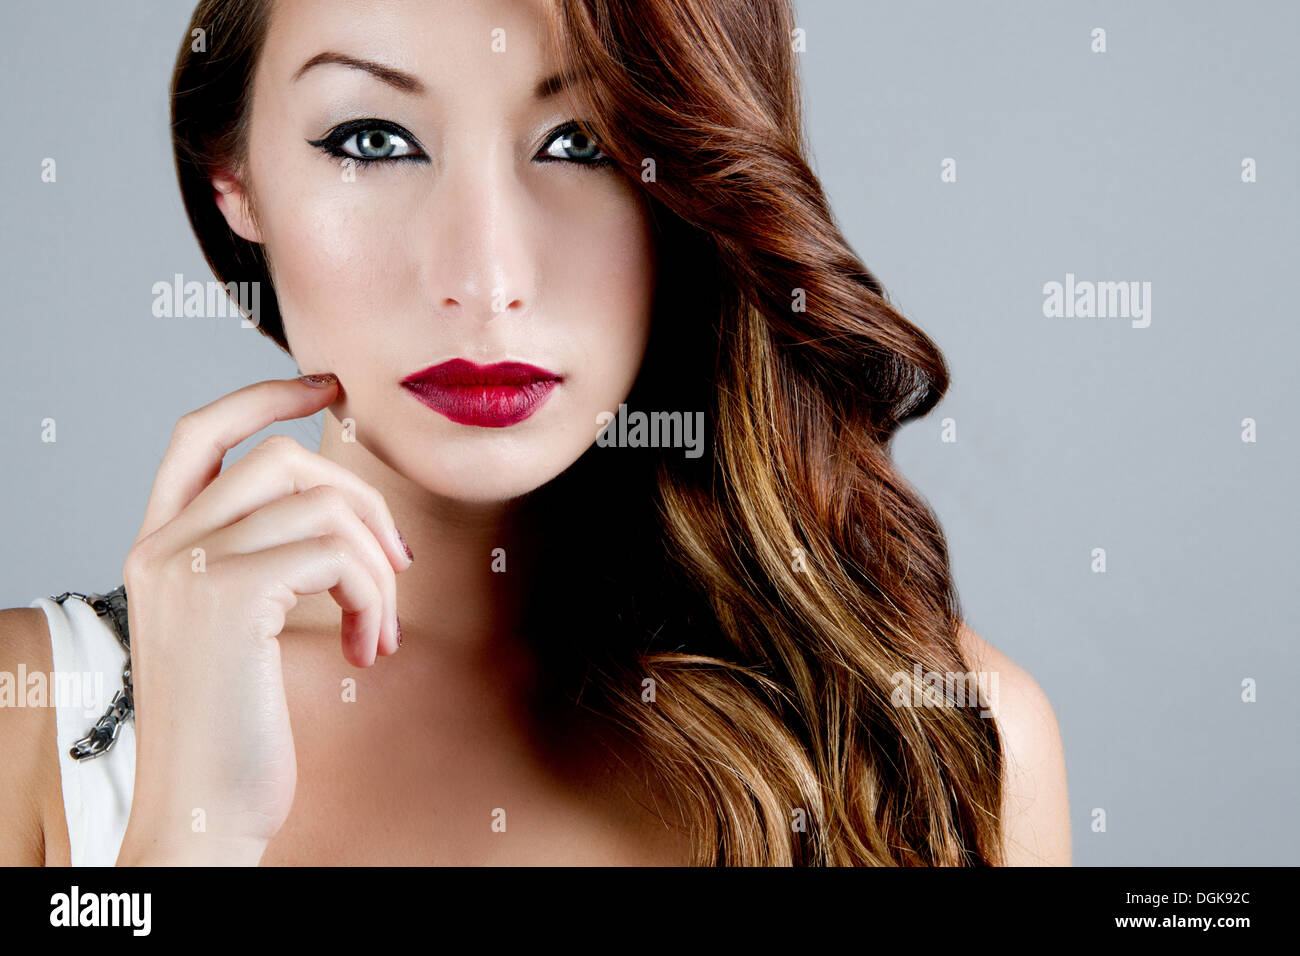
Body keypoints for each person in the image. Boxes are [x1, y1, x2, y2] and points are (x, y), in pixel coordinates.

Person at [0, 0, 1069, 866]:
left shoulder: (942, 734)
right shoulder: (29, 719)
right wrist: (181, 844)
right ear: (235, 180)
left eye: (582, 143)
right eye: (373, 140)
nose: (484, 279)